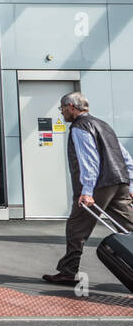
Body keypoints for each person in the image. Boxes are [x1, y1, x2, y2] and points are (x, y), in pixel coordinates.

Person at [44, 91, 133, 285]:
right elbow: (125, 157)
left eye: (62, 108)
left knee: (77, 227)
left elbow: (89, 160)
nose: (62, 113)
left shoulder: (81, 126)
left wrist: (86, 191)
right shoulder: (104, 125)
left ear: (71, 107)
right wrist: (130, 183)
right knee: (129, 226)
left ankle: (68, 271)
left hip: (99, 185)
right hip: (119, 182)